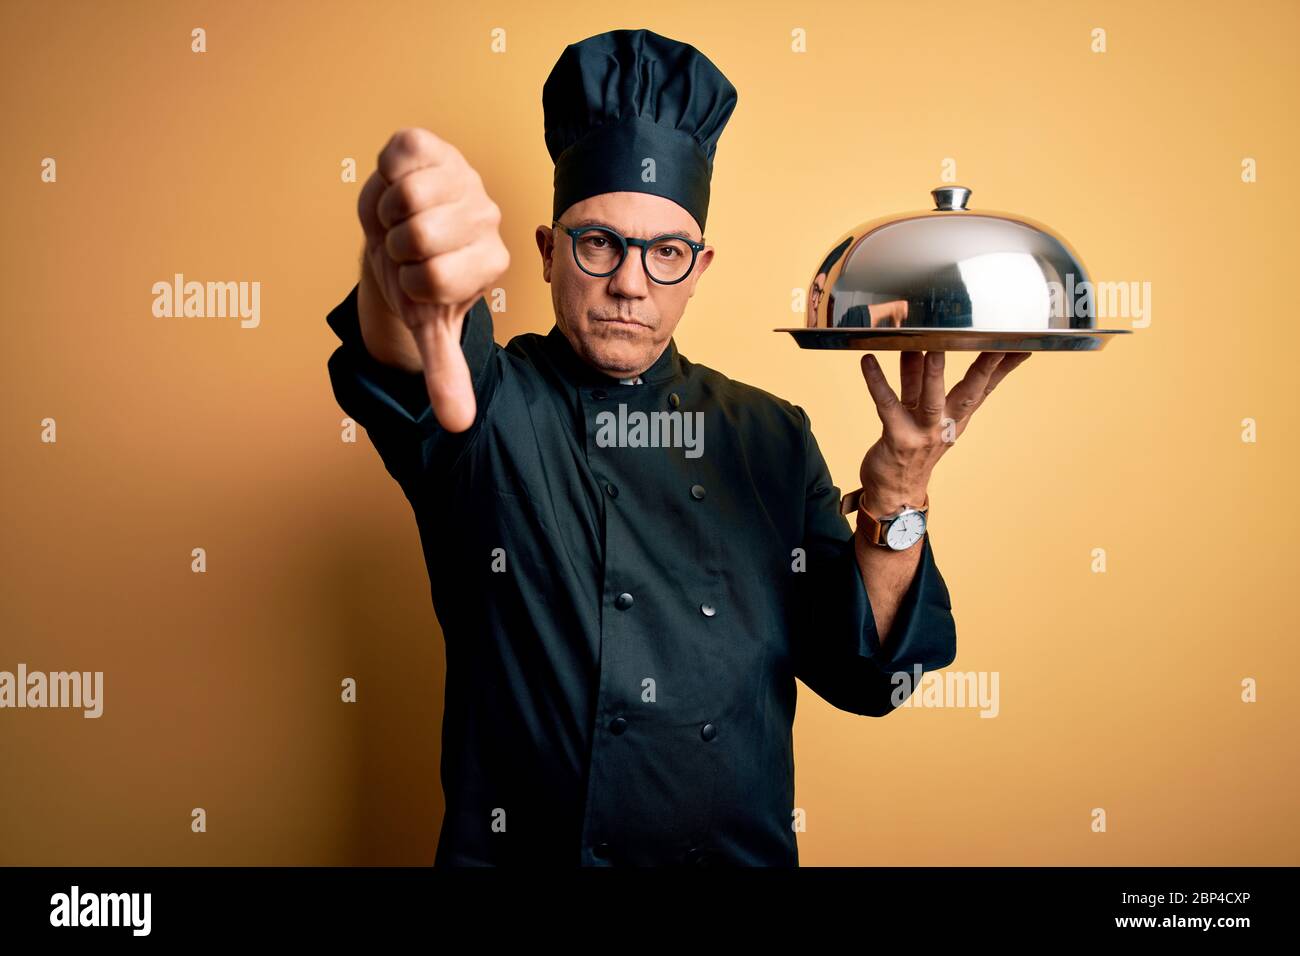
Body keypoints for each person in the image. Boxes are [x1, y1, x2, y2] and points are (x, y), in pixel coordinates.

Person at [325, 28, 1030, 867]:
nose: (630, 282)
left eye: (665, 253)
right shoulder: (485, 403)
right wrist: (396, 246)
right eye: (599, 243)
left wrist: (899, 492)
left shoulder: (770, 435)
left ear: (700, 268)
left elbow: (868, 676)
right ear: (548, 253)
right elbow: (406, 342)